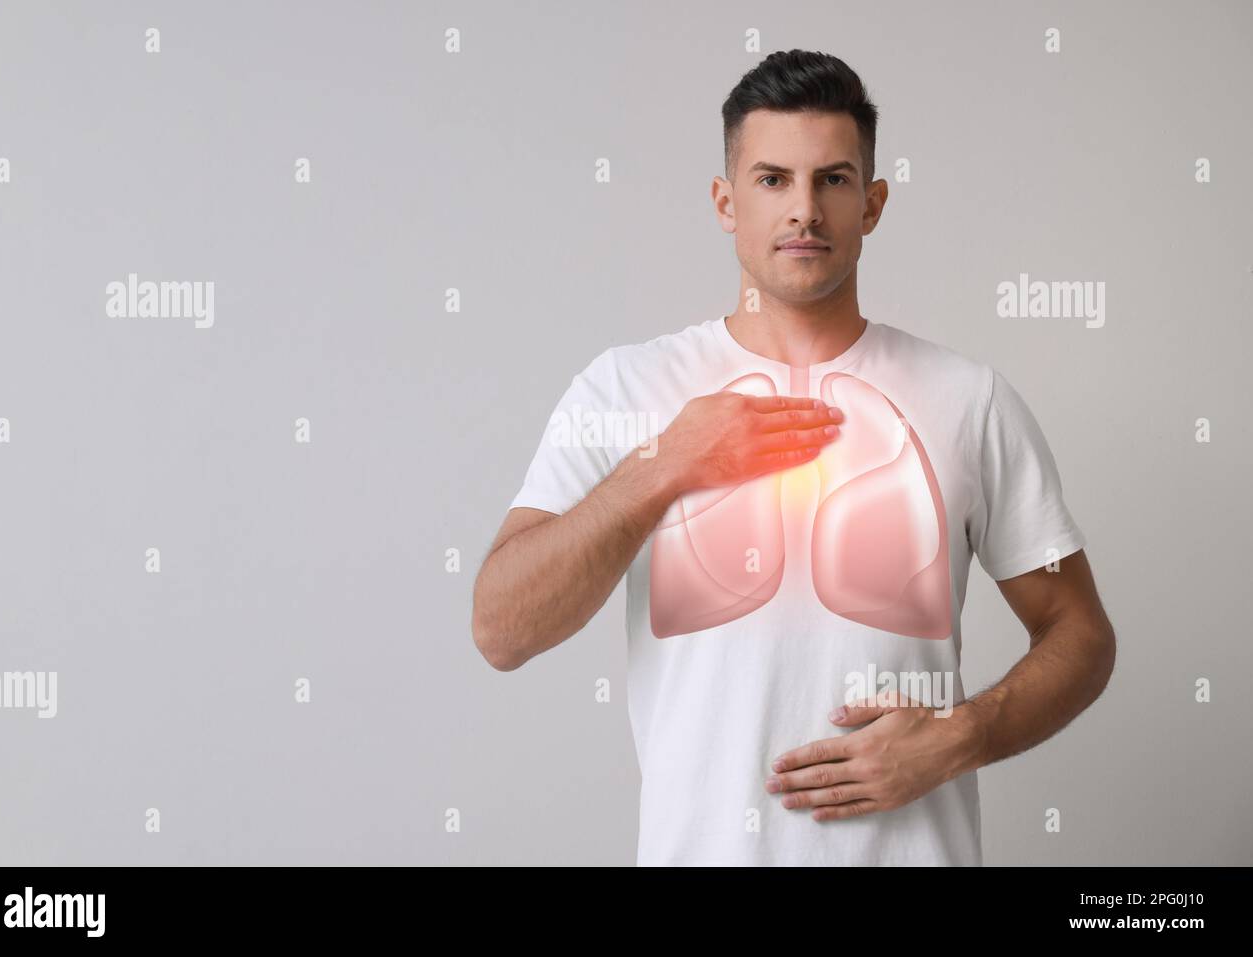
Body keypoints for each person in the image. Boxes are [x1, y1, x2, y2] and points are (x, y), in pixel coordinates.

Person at [471, 49, 1116, 866]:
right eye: (772, 179)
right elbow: (501, 627)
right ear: (724, 201)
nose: (803, 210)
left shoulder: (966, 397)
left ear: (872, 203)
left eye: (834, 180)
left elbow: (1081, 633)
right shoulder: (626, 388)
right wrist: (666, 462)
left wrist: (963, 735)